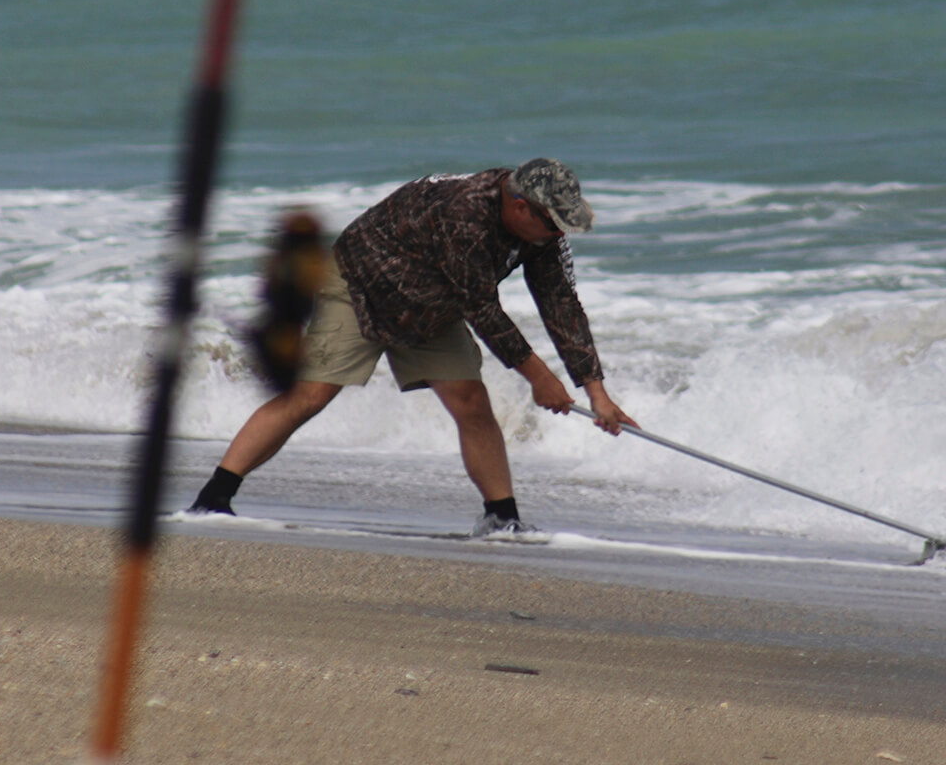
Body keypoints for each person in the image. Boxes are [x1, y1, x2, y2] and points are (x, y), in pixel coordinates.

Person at [188, 157, 636, 534]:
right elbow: (482, 308)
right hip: (359, 286)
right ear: (520, 206)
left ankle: (503, 521)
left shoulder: (541, 231)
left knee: (470, 401)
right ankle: (213, 499)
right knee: (310, 395)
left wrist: (595, 391)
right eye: (553, 224)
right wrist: (540, 378)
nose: (559, 235)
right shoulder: (464, 214)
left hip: (432, 306)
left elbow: (561, 302)